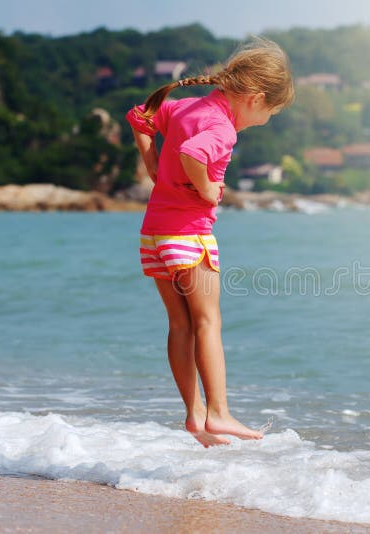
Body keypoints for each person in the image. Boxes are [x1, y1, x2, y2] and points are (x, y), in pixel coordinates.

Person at [126, 37, 294, 447]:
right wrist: (206, 190)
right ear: (254, 99)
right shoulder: (221, 127)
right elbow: (193, 154)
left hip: (155, 234)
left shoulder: (186, 106)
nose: (269, 118)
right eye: (272, 111)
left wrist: (150, 161)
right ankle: (218, 412)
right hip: (188, 234)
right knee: (207, 321)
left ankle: (195, 415)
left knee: (180, 324)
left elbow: (139, 116)